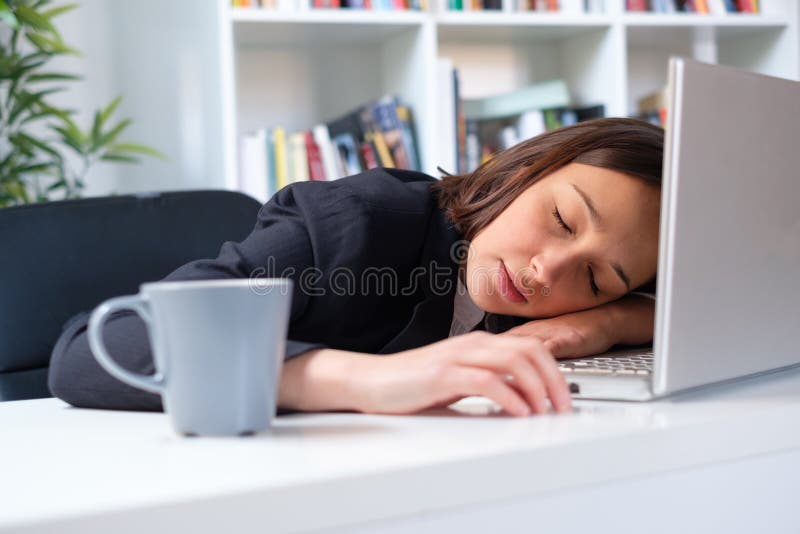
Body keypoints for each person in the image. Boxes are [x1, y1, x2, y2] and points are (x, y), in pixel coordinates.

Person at [48, 118, 663, 418]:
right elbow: (86, 354)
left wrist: (609, 321)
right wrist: (363, 381)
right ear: (524, 168)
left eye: (594, 279)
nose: (546, 272)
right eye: (560, 219)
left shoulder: (560, 306)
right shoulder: (354, 223)